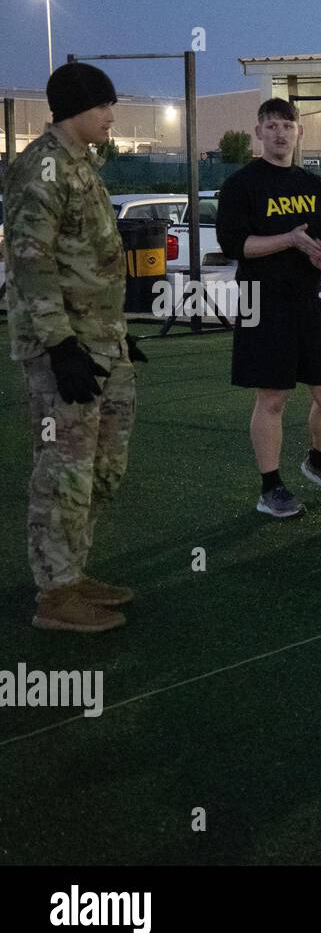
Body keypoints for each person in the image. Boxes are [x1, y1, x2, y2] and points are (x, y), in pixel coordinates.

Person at [4, 62, 142, 632]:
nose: (112, 116)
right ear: (77, 108)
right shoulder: (42, 168)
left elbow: (88, 259)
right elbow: (31, 266)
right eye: (105, 106)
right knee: (64, 470)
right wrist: (60, 347)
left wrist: (114, 330)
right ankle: (56, 595)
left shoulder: (81, 163)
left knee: (103, 466)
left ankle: (75, 572)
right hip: (65, 351)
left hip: (102, 343)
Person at [216, 97, 321, 519]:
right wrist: (289, 240)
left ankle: (319, 461)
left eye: (287, 126)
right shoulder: (242, 184)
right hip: (261, 300)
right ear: (258, 132)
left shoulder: (314, 185)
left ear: (299, 132)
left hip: (306, 300)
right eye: (271, 126)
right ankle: (270, 487)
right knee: (272, 398)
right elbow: (235, 246)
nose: (280, 133)